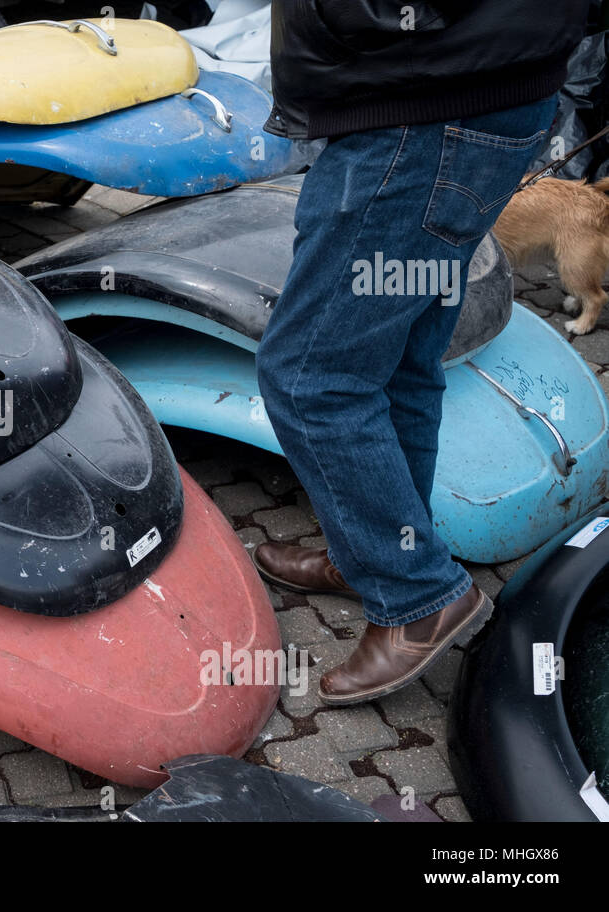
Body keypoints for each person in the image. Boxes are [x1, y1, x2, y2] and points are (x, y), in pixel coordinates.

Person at [253, 1, 590, 705]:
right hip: (478, 96)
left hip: (418, 114)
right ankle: (377, 553)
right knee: (401, 358)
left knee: (312, 379)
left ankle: (418, 595)